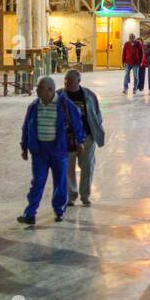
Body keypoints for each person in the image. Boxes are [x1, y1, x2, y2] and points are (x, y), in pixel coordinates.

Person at [18, 76, 85, 226]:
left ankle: (59, 210)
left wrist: (80, 142)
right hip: (39, 151)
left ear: (49, 90)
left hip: (59, 150)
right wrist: (24, 146)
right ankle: (30, 214)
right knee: (37, 183)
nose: (37, 90)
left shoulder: (64, 104)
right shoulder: (34, 106)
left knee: (60, 182)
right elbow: (26, 127)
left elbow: (76, 122)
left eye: (39, 87)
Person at [62, 69, 105, 207]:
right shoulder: (59, 95)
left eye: (70, 82)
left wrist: (96, 128)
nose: (67, 84)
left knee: (87, 166)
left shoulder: (89, 95)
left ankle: (85, 195)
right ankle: (71, 196)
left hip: (87, 137)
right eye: (66, 82)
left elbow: (97, 113)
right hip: (67, 139)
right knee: (68, 168)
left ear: (78, 82)